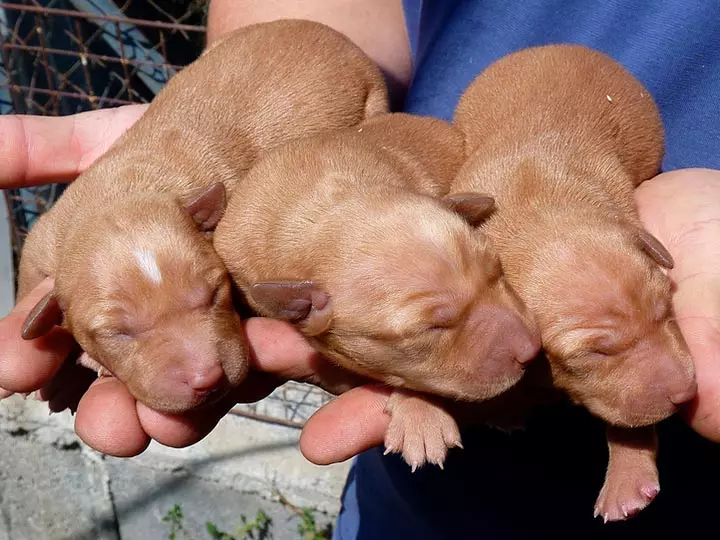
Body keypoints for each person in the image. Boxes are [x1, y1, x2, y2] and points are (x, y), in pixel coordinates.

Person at [1, 0, 719, 537]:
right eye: (439, 319)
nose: (525, 337)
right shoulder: (239, 233)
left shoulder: (466, 208)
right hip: (416, 509)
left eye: (495, 273)